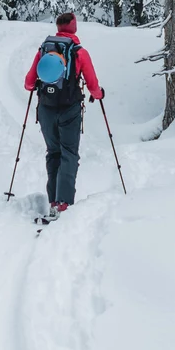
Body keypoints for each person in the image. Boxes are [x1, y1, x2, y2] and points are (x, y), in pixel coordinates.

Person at [23, 12, 103, 216]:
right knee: (69, 153)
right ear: (74, 27)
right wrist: (98, 94)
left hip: (46, 108)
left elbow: (29, 83)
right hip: (69, 108)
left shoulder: (44, 49)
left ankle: (53, 201)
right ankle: (64, 202)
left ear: (58, 27)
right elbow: (92, 83)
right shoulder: (79, 52)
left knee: (53, 152)